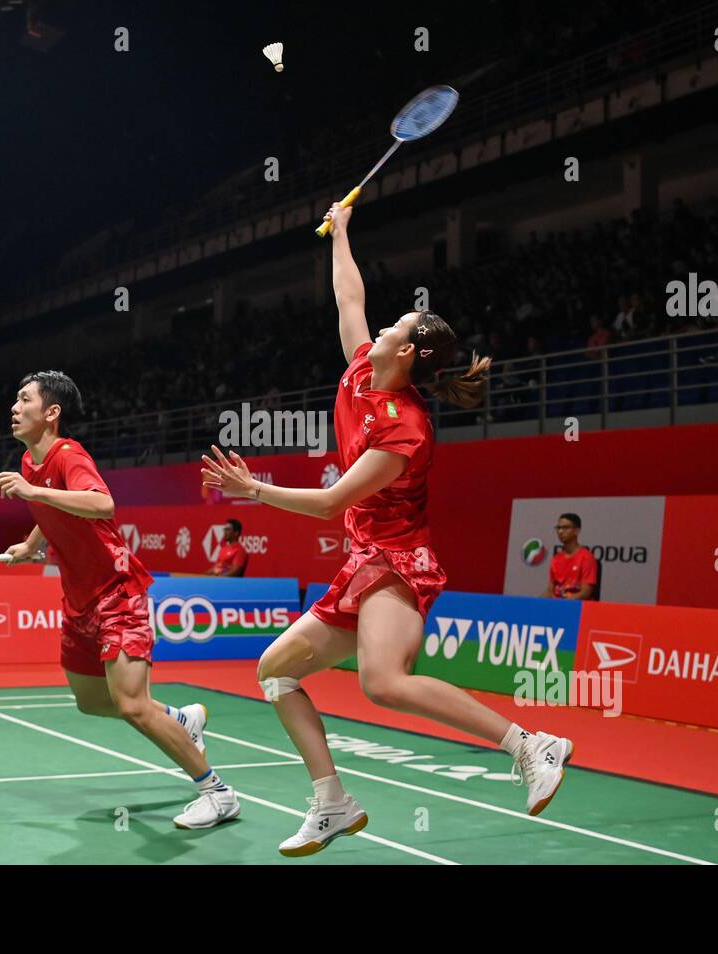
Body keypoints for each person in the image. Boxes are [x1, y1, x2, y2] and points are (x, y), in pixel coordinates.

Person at [200, 202, 573, 858]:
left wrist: (252, 489)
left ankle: (529, 745)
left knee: (384, 681)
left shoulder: (405, 426)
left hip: (400, 558)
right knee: (276, 672)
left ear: (404, 351)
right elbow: (349, 295)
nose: (382, 325)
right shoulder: (359, 373)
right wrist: (341, 230)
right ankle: (332, 801)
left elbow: (330, 504)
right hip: (367, 558)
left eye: (397, 325)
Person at [0, 370, 240, 830]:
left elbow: (101, 503)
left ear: (52, 413)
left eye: (24, 399)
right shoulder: (30, 463)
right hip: (79, 600)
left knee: (131, 704)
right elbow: (54, 508)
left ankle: (217, 793)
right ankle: (180, 720)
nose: (14, 407)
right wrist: (30, 545)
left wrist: (31, 492)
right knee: (92, 701)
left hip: (117, 593)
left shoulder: (69, 455)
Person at [540, 512, 598, 600]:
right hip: (556, 606)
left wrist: (562, 604)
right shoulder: (556, 559)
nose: (560, 531)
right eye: (558, 528)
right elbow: (550, 591)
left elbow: (585, 593)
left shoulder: (586, 557)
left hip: (575, 608)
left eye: (565, 528)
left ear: (576, 531)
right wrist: (534, 604)